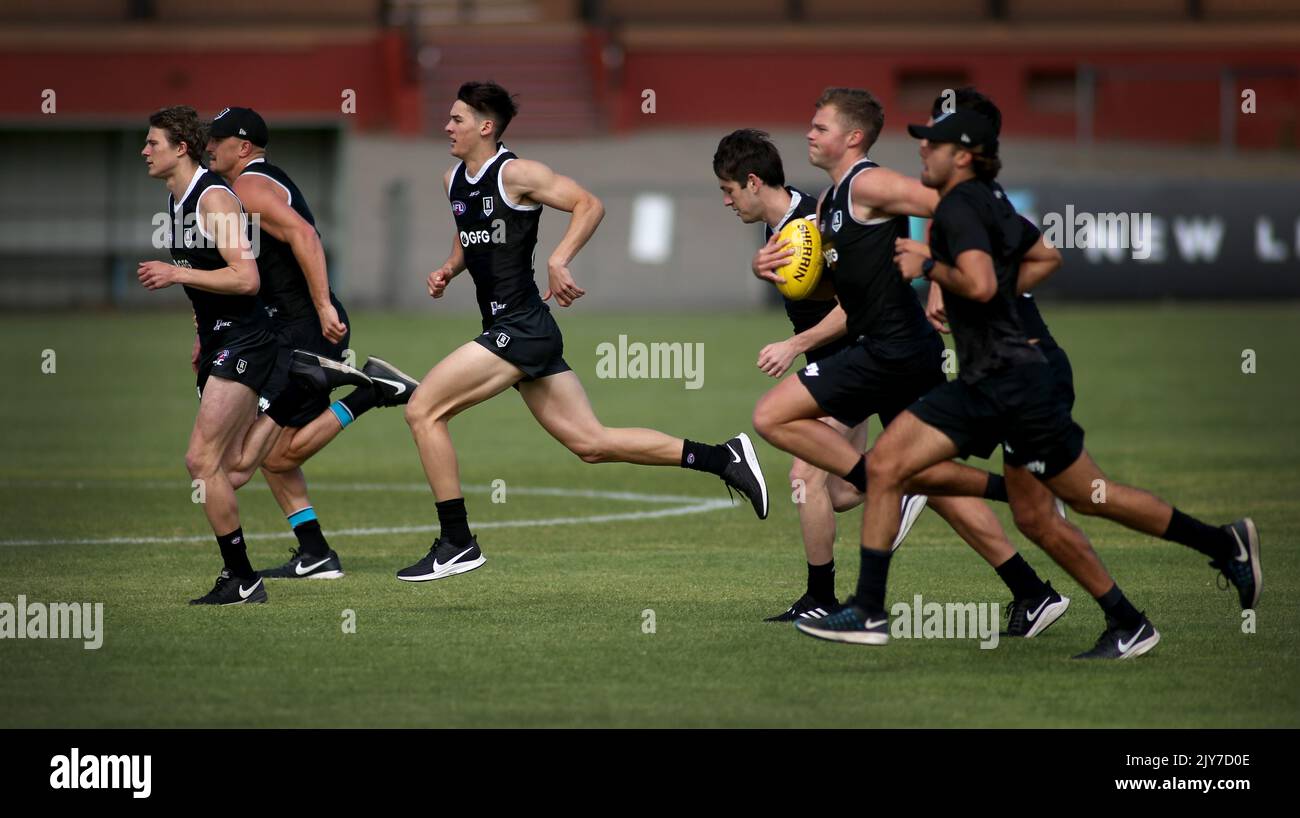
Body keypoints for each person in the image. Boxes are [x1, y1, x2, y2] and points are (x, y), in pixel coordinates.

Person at [797, 106, 1260, 658]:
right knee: (1054, 508)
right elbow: (1046, 255)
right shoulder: (988, 199)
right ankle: (1170, 586)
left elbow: (981, 282)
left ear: (962, 156)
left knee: (901, 465)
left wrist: (932, 271)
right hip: (1006, 373)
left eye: (934, 143)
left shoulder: (961, 207)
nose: (922, 149)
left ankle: (869, 609)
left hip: (1012, 380)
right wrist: (977, 286)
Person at [394, 81, 768, 583]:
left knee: (423, 410)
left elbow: (589, 204)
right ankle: (723, 458)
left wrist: (559, 258)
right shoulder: (453, 180)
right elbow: (473, 237)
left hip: (520, 328)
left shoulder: (517, 173)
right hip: (516, 329)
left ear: (485, 126)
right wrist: (448, 267)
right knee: (592, 444)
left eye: (456, 119)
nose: (447, 126)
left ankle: (457, 542)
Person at [749, 89, 1070, 636]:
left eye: (820, 127)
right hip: (890, 350)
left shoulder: (870, 183)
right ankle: (1031, 588)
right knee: (933, 486)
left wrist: (941, 277)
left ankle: (886, 487)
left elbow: (950, 206)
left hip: (894, 350)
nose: (809, 134)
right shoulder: (828, 204)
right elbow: (840, 287)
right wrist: (778, 272)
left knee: (773, 416)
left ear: (853, 137)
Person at [714, 128, 925, 621]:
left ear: (752, 181)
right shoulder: (777, 227)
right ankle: (909, 477)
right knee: (837, 491)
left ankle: (820, 599)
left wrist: (794, 344)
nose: (726, 201)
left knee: (804, 477)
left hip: (854, 359)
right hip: (832, 364)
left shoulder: (815, 223)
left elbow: (855, 306)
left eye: (728, 189)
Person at [206, 107, 419, 580]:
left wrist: (322, 306)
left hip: (302, 330)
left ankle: (370, 392)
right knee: (272, 455)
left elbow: (304, 235)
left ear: (243, 147)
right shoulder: (249, 186)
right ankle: (315, 552)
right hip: (286, 329)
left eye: (217, 139)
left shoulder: (249, 186)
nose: (209, 147)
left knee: (262, 455)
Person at [138, 105, 274, 605]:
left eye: (153, 143)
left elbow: (246, 277)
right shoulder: (175, 200)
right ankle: (298, 391)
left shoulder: (213, 198)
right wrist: (201, 329)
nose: (145, 151)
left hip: (246, 338)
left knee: (200, 461)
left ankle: (242, 579)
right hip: (221, 338)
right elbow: (209, 280)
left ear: (181, 149)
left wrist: (176, 273)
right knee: (230, 469)